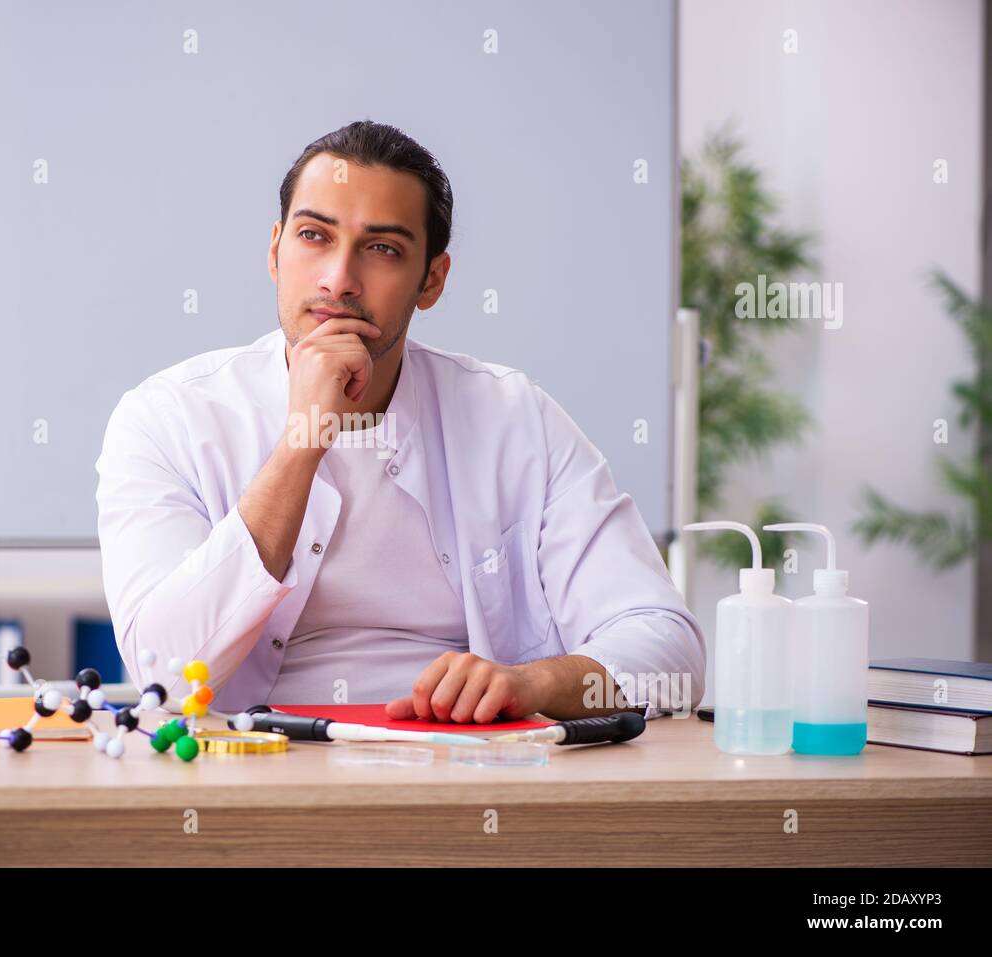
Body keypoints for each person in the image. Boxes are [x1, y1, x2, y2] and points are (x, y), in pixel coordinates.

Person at [95, 119, 705, 723]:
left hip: (462, 776)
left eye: (382, 249)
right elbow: (166, 676)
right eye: (314, 236)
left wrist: (533, 684)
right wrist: (301, 442)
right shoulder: (167, 418)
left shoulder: (517, 420)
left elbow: (670, 657)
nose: (339, 278)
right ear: (275, 251)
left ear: (431, 281)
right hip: (254, 773)